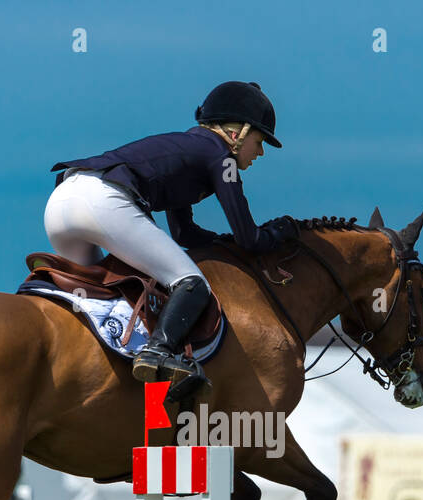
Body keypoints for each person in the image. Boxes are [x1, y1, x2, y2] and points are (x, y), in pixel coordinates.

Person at [45, 81, 296, 396]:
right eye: (259, 141)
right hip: (103, 201)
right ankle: (158, 351)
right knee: (192, 282)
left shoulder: (190, 149)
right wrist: (279, 234)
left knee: (108, 298)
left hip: (62, 203)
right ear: (237, 133)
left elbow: (183, 233)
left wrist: (224, 242)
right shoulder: (222, 157)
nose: (260, 153)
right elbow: (249, 237)